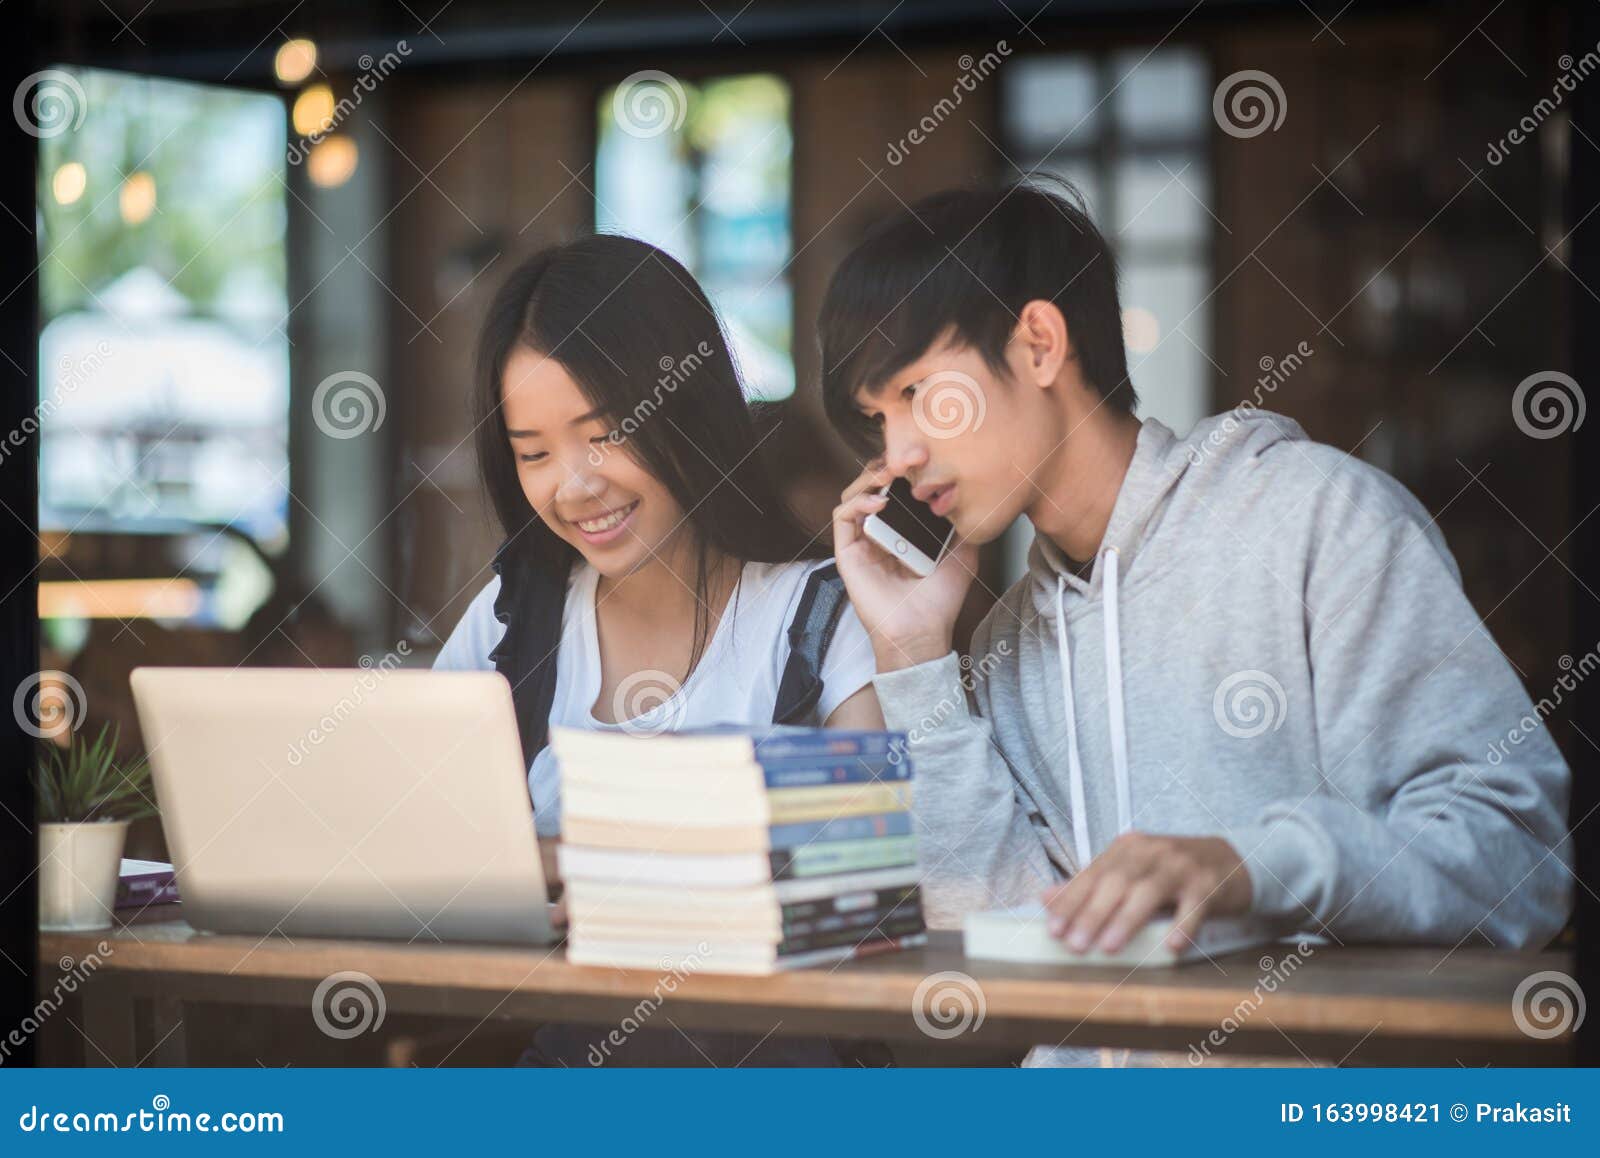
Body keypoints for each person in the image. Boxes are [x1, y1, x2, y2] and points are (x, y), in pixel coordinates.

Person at [821, 180, 1571, 958]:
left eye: (916, 393)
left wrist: (1250, 866)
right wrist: (913, 658)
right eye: (878, 418)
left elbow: (1520, 860)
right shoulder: (1008, 644)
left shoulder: (1319, 518)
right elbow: (998, 933)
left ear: (1039, 344)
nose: (898, 456)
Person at [435, 234, 884, 1067]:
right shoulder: (512, 616)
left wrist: (590, 864)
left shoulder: (821, 618)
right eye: (533, 452)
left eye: (603, 433)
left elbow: (882, 876)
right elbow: (412, 837)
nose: (574, 484)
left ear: (685, 410)